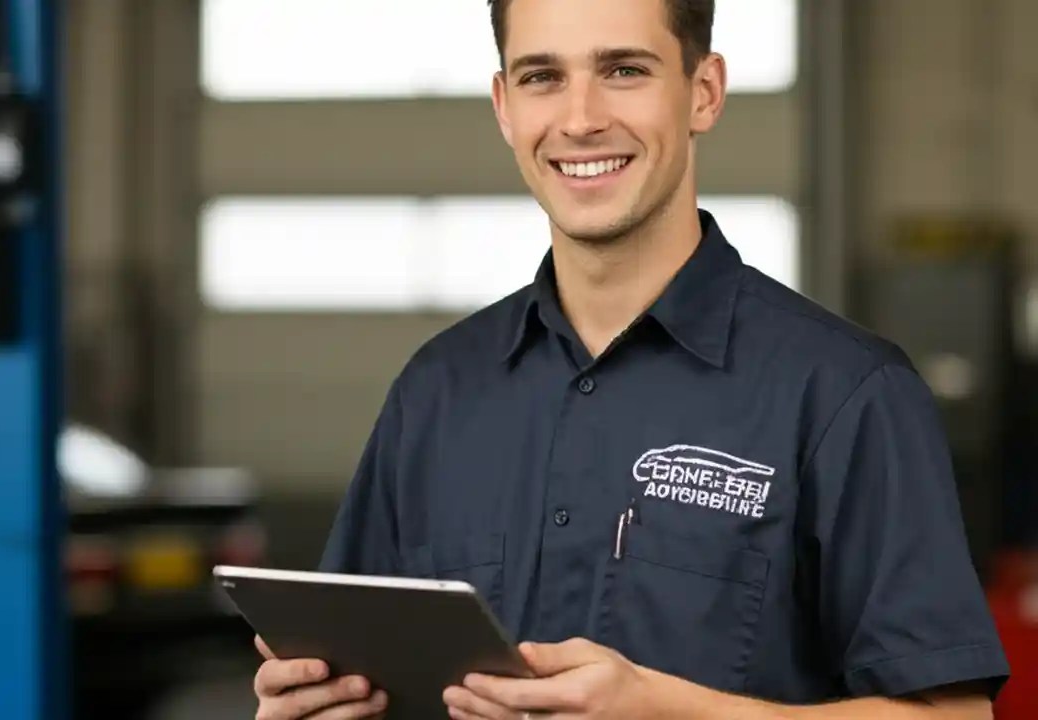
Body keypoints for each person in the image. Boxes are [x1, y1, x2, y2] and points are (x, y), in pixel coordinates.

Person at [251, 0, 1011, 717]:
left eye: (624, 70)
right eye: (542, 76)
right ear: (504, 107)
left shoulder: (848, 395)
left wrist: (672, 711)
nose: (580, 120)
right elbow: (362, 669)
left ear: (704, 92)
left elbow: (954, 712)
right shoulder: (437, 391)